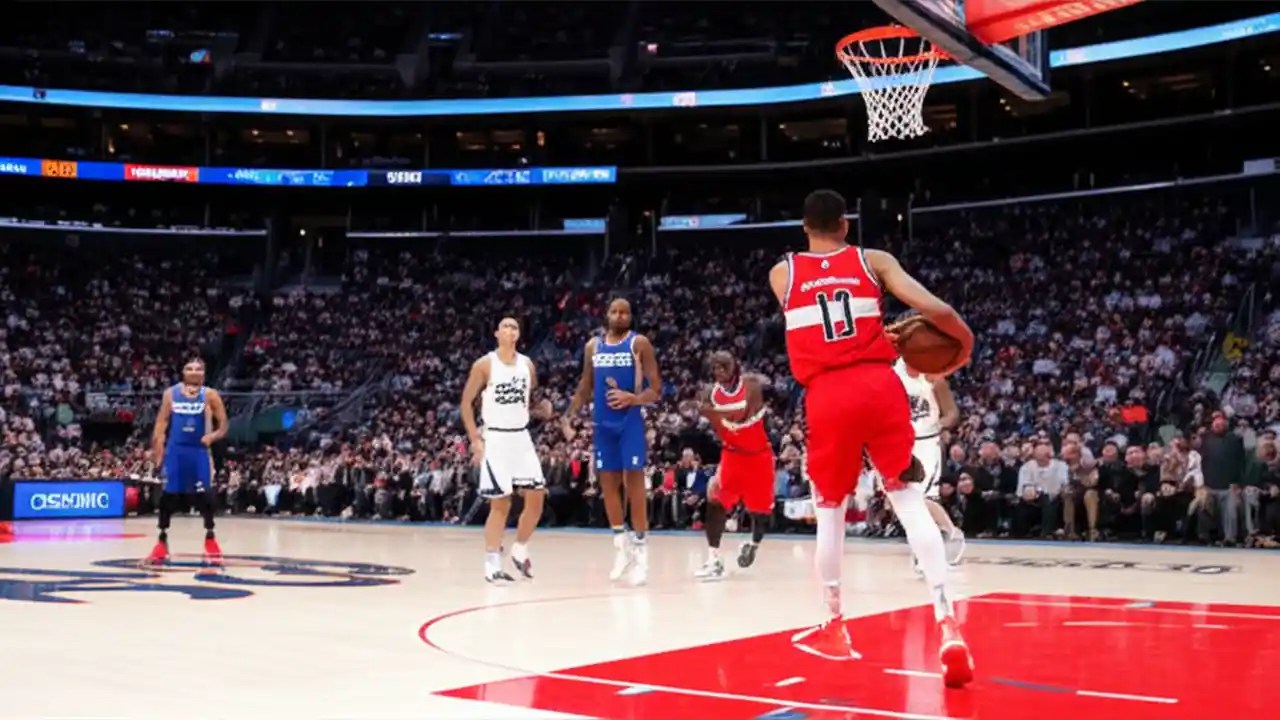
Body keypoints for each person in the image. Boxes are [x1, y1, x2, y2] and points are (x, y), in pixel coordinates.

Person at [770, 190, 975, 688]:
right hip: (880, 386)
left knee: (831, 510)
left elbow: (819, 324)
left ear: (805, 228)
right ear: (845, 224)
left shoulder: (783, 272)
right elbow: (933, 306)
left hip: (827, 394)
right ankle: (947, 621)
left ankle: (834, 623)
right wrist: (962, 341)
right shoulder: (873, 259)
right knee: (907, 498)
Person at [563, 298, 663, 586]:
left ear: (630, 316)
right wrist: (568, 415)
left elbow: (656, 388)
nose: (619, 316)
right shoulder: (593, 346)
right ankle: (621, 546)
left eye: (625, 312)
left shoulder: (639, 343)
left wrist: (634, 398)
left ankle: (642, 552)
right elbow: (585, 386)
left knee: (634, 487)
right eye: (615, 311)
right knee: (607, 486)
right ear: (606, 315)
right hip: (602, 424)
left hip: (629, 422)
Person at [460, 317, 554, 583]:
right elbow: (466, 403)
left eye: (515, 327)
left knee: (536, 497)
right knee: (501, 503)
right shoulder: (485, 364)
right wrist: (475, 439)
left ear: (518, 334)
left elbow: (527, 403)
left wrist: (541, 410)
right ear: (496, 333)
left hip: (521, 437)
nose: (511, 330)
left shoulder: (527, 365)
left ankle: (520, 548)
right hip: (496, 438)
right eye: (506, 326)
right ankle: (492, 563)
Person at [695, 351, 776, 581]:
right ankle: (714, 559)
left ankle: (753, 543)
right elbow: (717, 425)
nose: (719, 371)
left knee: (760, 514)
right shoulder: (711, 393)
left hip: (759, 457)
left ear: (734, 367)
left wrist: (711, 412)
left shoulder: (751, 384)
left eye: (724, 366)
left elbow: (740, 411)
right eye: (715, 367)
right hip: (733, 455)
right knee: (715, 501)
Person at [147, 358, 228, 567]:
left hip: (198, 450)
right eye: (189, 368)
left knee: (205, 495)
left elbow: (224, 425)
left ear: (204, 373)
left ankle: (210, 538)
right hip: (176, 450)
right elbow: (161, 424)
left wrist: (212, 437)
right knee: (169, 495)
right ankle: (161, 541)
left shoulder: (210, 395)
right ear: (183, 372)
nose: (194, 371)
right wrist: (159, 450)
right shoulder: (170, 394)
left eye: (198, 368)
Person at [891, 356, 966, 571]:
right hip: (901, 444)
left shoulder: (934, 378)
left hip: (927, 443)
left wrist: (938, 425)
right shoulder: (892, 377)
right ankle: (927, 547)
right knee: (906, 502)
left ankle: (951, 535)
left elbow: (951, 413)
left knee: (920, 498)